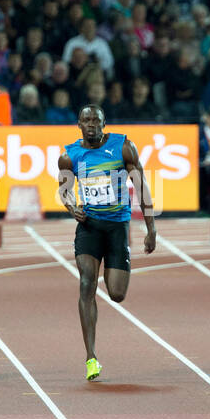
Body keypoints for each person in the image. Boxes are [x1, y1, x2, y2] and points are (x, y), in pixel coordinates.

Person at [57, 105, 157, 380]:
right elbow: (64, 190)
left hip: (116, 227)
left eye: (96, 120)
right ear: (79, 124)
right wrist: (70, 207)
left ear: (104, 123)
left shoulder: (123, 147)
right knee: (87, 282)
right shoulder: (69, 156)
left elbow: (142, 184)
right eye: (86, 120)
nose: (91, 124)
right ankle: (91, 357)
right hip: (88, 227)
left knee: (117, 294)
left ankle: (116, 267)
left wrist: (151, 228)